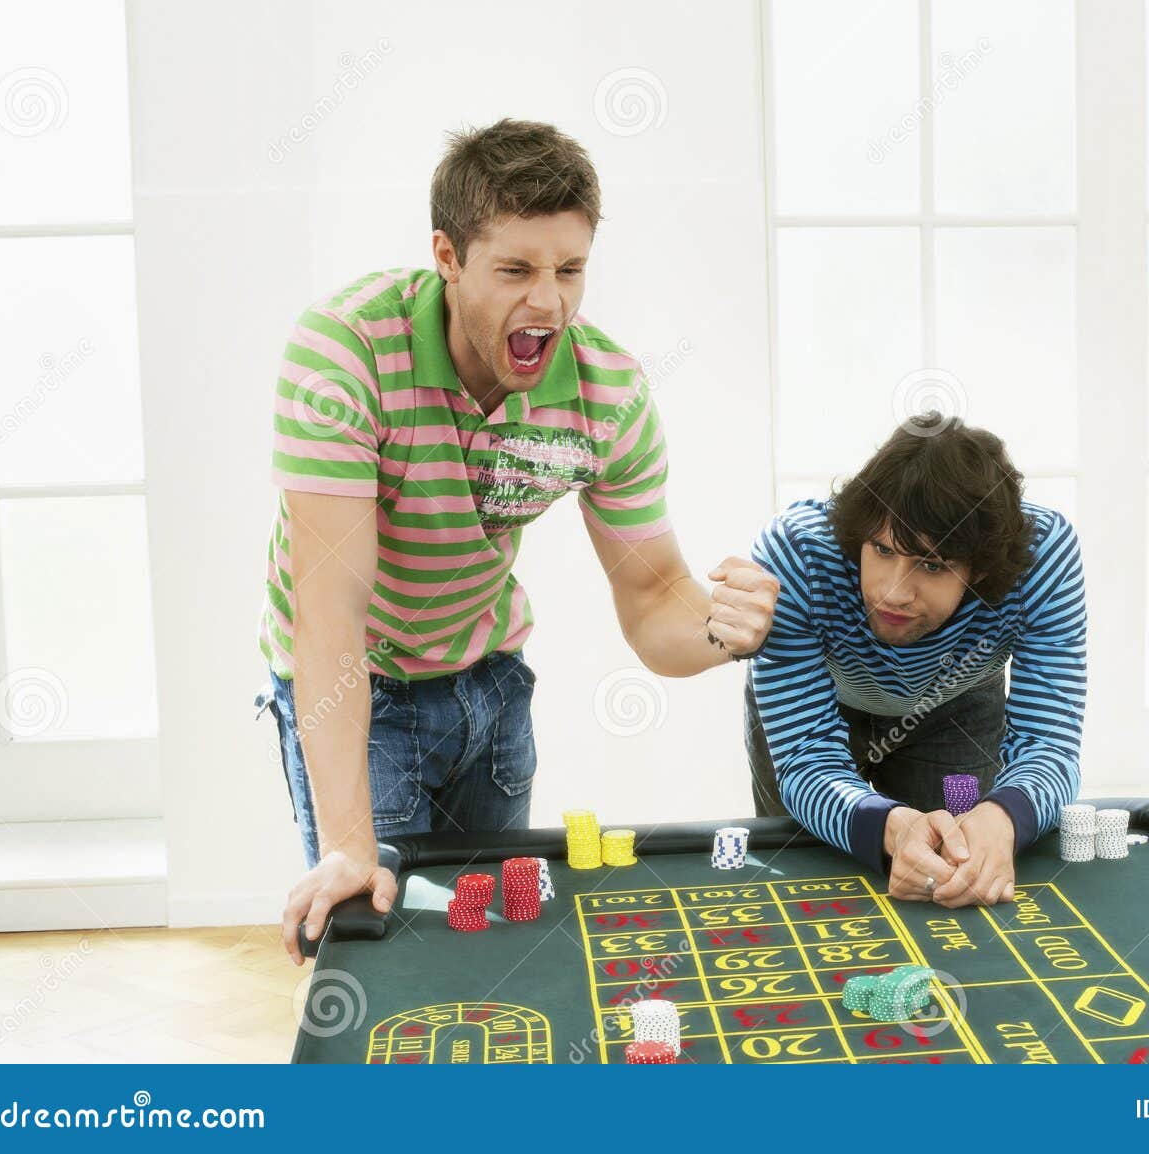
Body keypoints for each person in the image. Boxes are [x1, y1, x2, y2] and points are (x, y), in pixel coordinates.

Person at [260, 119, 778, 963]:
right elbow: (330, 613)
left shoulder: (607, 392)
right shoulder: (343, 352)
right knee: (378, 945)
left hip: (491, 688)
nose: (551, 302)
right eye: (516, 270)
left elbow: (655, 600)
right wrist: (350, 848)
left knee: (486, 948)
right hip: (363, 689)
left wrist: (723, 629)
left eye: (570, 270)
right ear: (447, 256)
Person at [745, 414, 1086, 908]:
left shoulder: (1042, 558)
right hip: (824, 693)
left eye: (932, 564)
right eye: (882, 549)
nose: (893, 592)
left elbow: (1048, 744)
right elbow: (805, 759)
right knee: (805, 880)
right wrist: (891, 829)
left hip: (955, 703)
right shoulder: (796, 553)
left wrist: (1001, 818)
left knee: (951, 871)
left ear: (984, 568)